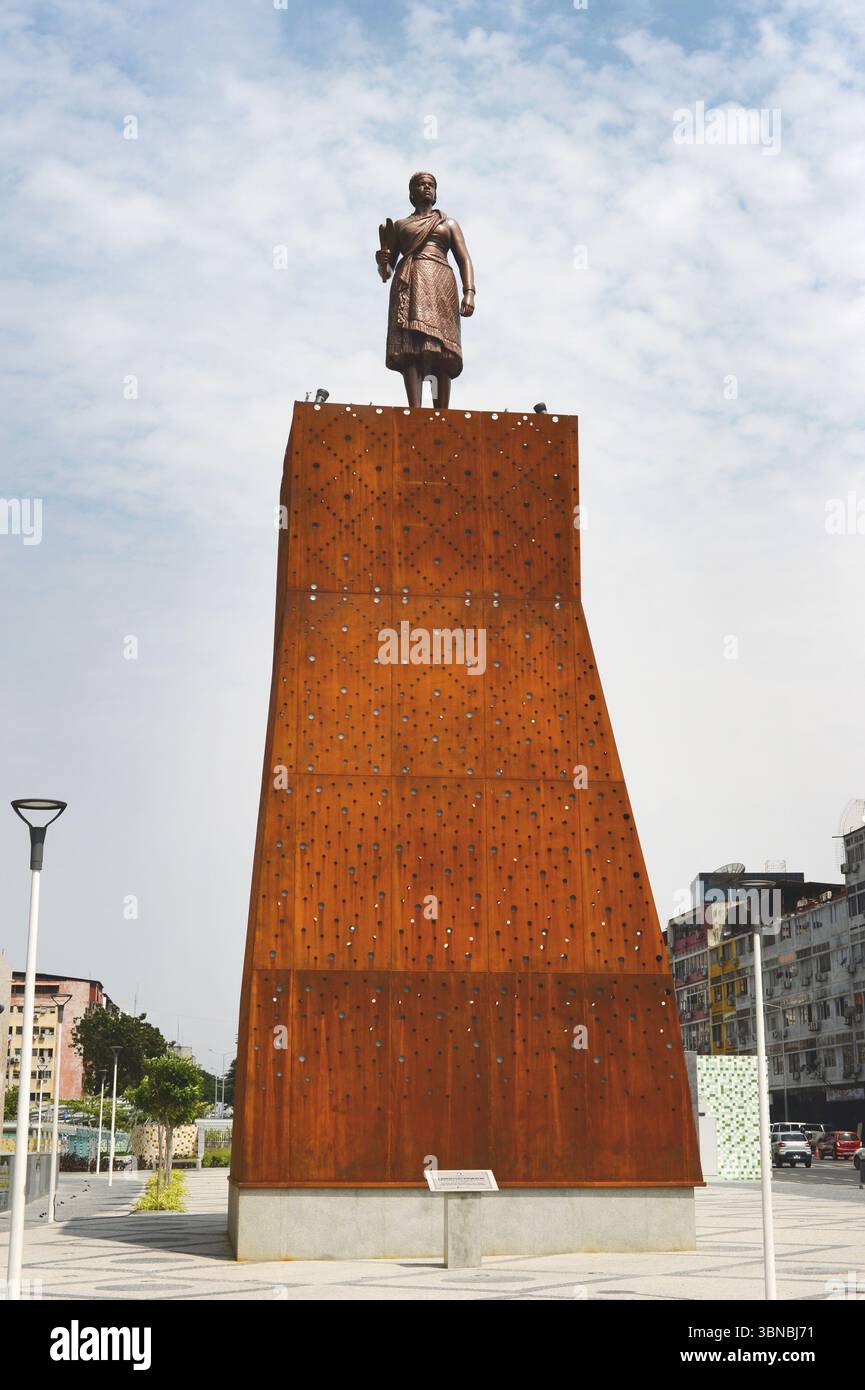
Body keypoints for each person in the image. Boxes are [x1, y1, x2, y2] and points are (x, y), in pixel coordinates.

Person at [376, 172, 475, 407]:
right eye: (421, 185)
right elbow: (386, 273)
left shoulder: (447, 223)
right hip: (409, 281)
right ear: (412, 192)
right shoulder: (402, 225)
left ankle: (441, 412)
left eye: (431, 185)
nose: (427, 188)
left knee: (441, 350)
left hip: (441, 283)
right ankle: (415, 409)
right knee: (412, 347)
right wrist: (383, 260)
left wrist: (469, 290)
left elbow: (464, 259)